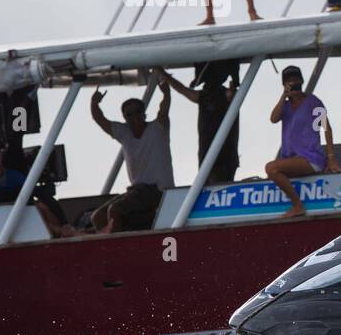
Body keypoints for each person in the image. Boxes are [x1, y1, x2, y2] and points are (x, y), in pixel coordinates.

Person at [90, 82, 175, 232]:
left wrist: (166, 93)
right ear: (124, 117)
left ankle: (116, 245)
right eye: (129, 114)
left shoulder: (158, 128)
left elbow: (164, 110)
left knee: (115, 210)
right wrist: (94, 102)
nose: (134, 116)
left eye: (137, 112)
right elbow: (99, 119)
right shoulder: (124, 133)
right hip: (136, 191)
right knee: (97, 217)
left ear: (144, 113)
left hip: (158, 190)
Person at [265, 65, 338, 218]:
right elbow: (273, 119)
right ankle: (296, 204)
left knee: (271, 168)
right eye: (290, 81)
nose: (294, 82)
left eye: (296, 79)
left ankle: (297, 205)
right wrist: (283, 96)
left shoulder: (313, 102)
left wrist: (331, 159)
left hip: (311, 157)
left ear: (302, 81)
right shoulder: (284, 106)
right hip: (291, 159)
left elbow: (326, 128)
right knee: (272, 170)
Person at [156, 63, 240, 184]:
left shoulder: (223, 95)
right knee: (209, 183)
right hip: (207, 153)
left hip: (224, 154)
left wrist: (164, 75)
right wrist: (164, 75)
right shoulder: (203, 96)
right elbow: (182, 89)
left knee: (218, 183)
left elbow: (183, 89)